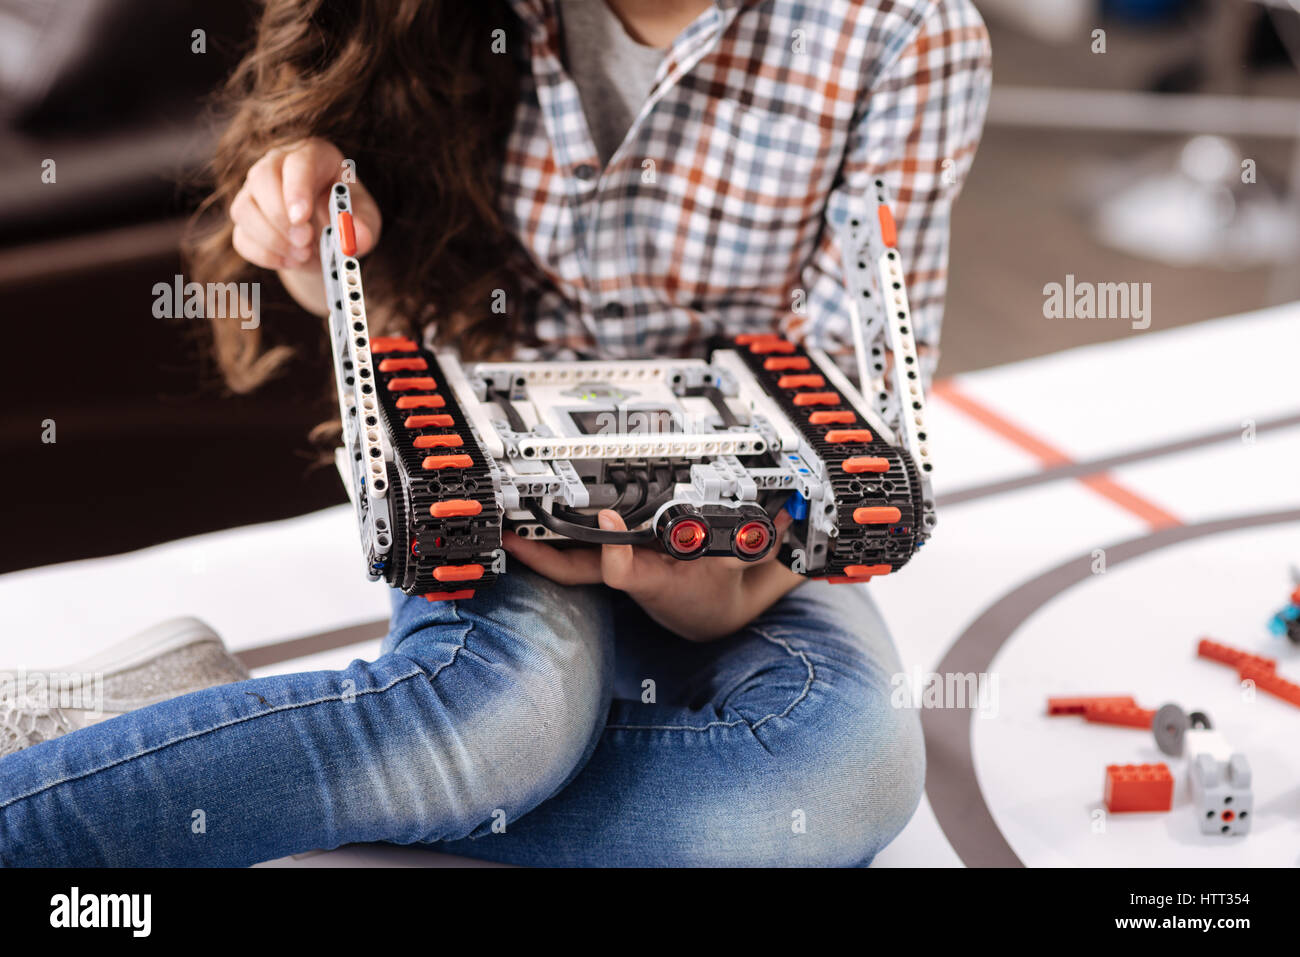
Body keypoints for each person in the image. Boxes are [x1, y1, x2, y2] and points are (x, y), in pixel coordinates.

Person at [0, 0, 991, 866]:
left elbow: (849, 400)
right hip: (498, 494)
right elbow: (377, 305)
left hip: (748, 521)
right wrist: (309, 226)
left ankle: (222, 734)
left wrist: (721, 599)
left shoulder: (901, 30)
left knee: (834, 781)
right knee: (504, 726)